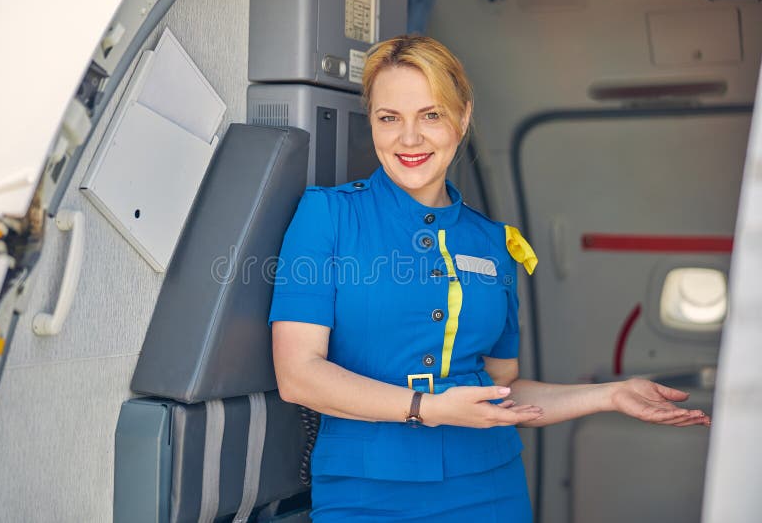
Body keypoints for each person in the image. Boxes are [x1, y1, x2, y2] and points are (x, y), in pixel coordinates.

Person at [268, 35, 710, 522]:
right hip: (366, 493)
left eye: (430, 115)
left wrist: (608, 395)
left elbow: (502, 390)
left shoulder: (494, 244)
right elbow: (298, 376)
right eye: (388, 117)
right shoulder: (327, 217)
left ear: (462, 116)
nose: (408, 138)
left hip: (489, 488)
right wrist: (428, 408)